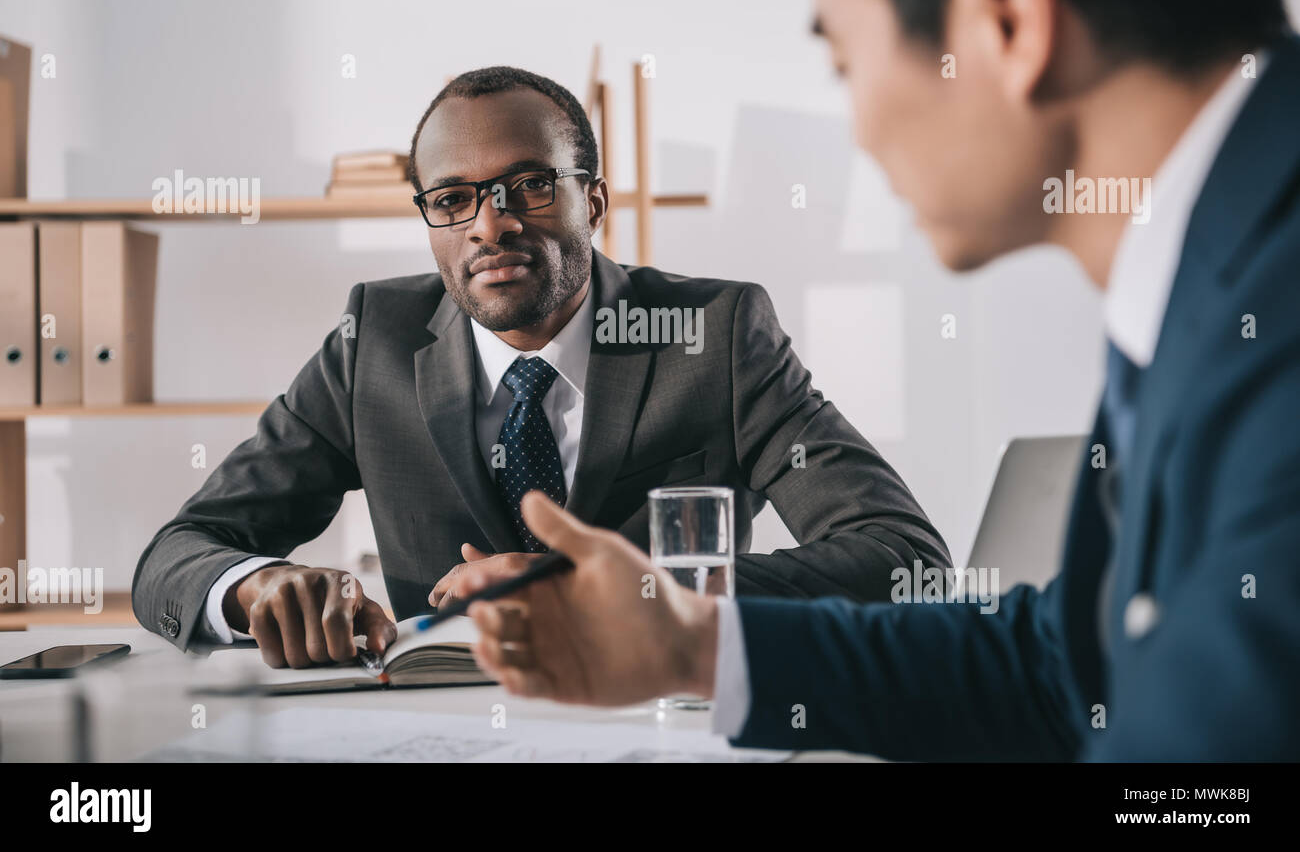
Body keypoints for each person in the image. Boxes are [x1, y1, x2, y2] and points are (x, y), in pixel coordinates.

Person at [466, 0, 1300, 760]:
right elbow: (1069, 671)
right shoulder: (1210, 283)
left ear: (1004, 14)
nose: (858, 131)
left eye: (843, 60)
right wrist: (694, 645)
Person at [131, 66, 948, 667]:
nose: (493, 225)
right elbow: (178, 551)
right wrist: (256, 585)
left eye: (529, 185)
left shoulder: (716, 335)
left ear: (592, 203)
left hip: (662, 722)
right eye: (453, 198)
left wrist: (628, 587)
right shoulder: (371, 341)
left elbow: (904, 556)